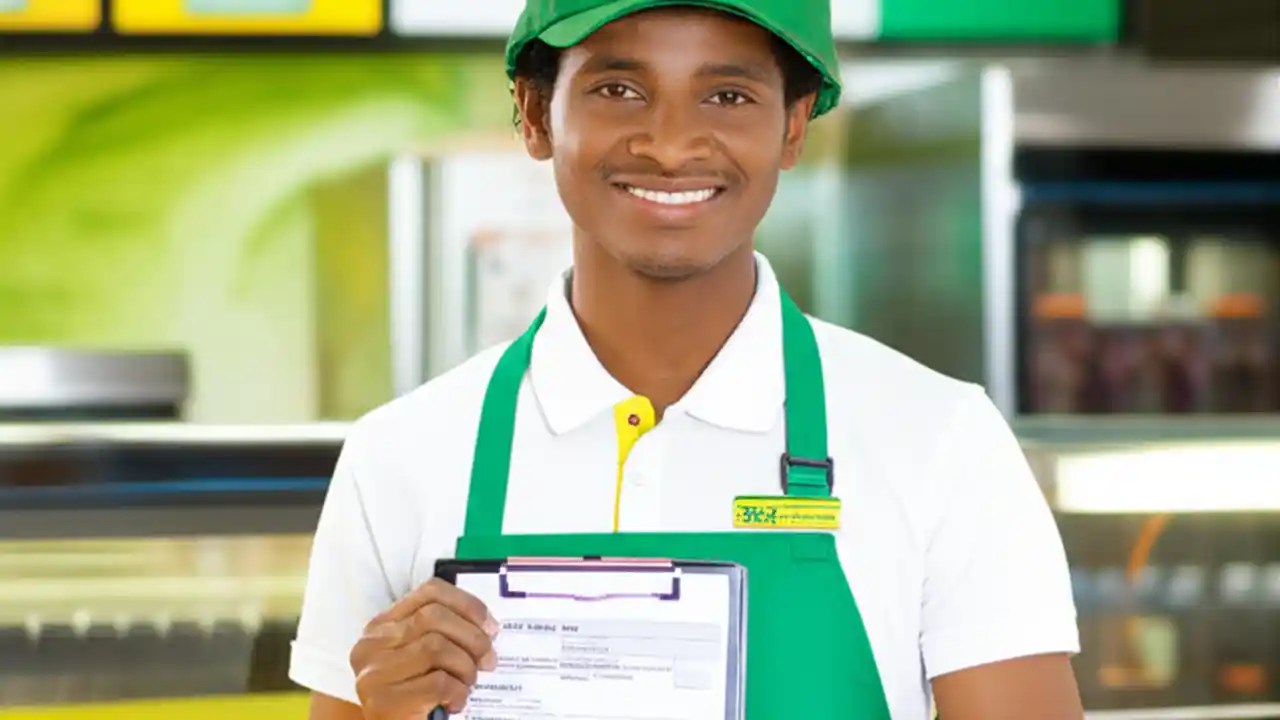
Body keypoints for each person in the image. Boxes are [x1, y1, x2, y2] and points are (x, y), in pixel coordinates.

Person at [290, 1, 1084, 718]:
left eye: (728, 96)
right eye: (619, 91)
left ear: (793, 126)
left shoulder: (941, 441)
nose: (670, 146)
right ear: (534, 114)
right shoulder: (399, 457)